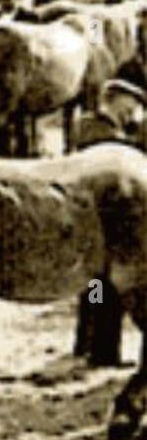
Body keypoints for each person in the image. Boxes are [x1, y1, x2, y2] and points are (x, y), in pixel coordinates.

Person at [73, 80, 147, 365]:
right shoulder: (98, 129)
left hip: (92, 219)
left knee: (94, 290)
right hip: (103, 220)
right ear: (118, 101)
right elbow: (118, 156)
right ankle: (102, 351)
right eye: (132, 106)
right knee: (105, 292)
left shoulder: (87, 124)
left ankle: (88, 345)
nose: (134, 113)